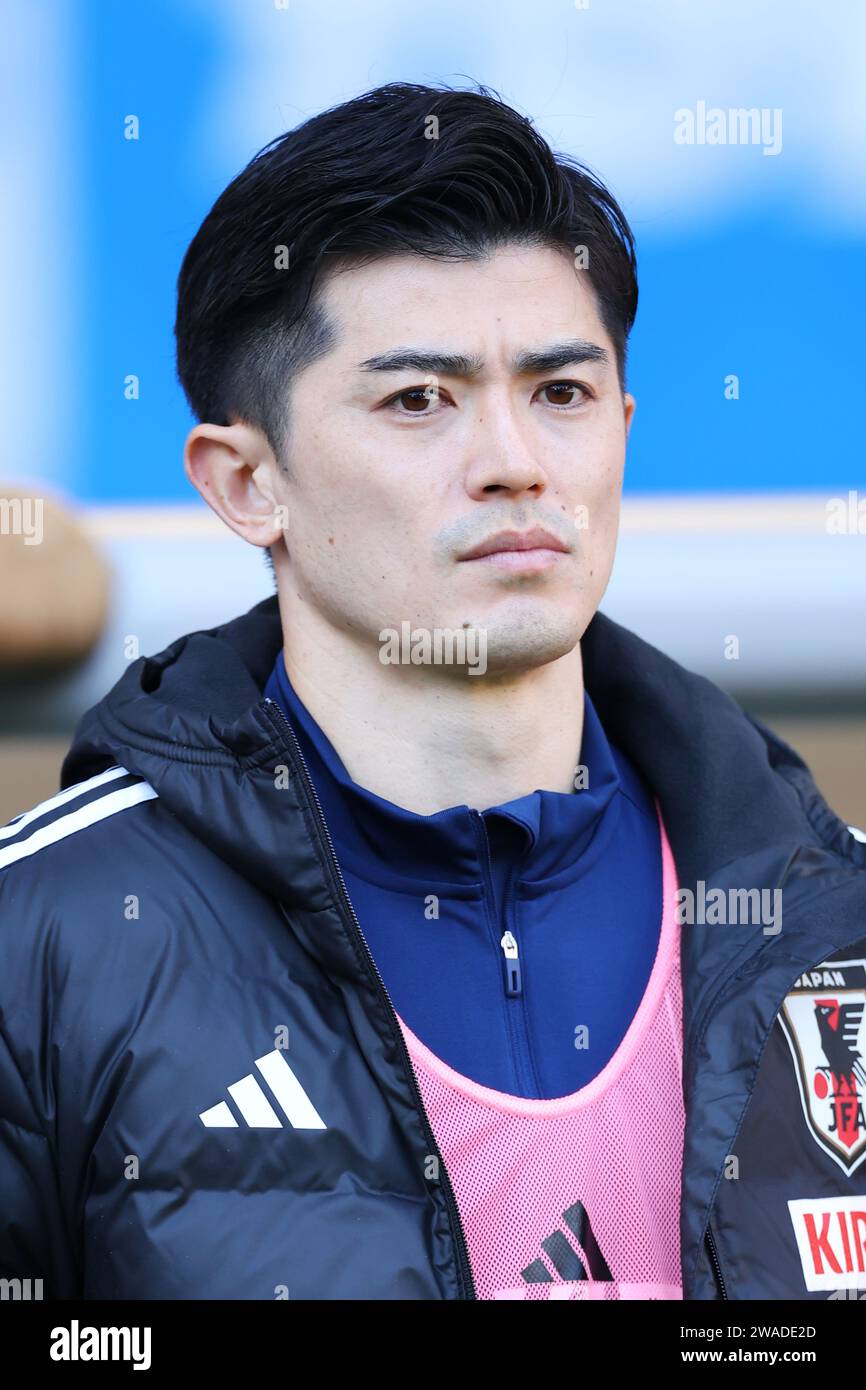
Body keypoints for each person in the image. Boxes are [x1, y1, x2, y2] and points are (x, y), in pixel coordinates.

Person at [1, 81, 864, 1302]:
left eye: (558, 394)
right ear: (247, 483)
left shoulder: (836, 919)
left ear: (620, 425)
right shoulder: (38, 945)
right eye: (418, 400)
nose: (515, 463)